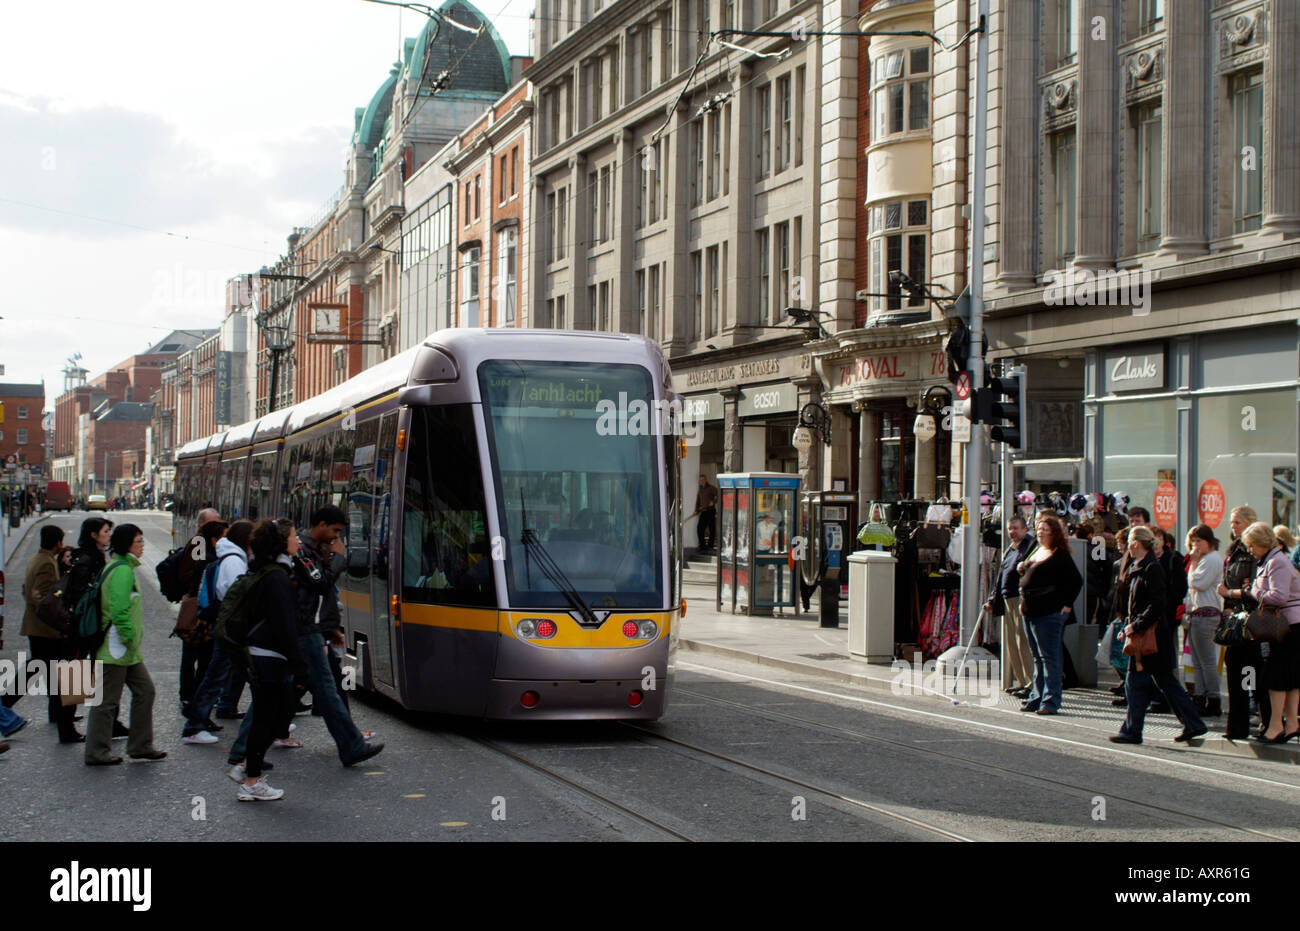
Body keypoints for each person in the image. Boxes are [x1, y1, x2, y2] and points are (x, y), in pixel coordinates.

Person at [1110, 527, 1207, 745]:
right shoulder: (1141, 566)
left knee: (1136, 683)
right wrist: (1129, 626)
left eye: (1129, 542)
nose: (1127, 547)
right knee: (1164, 682)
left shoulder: (1151, 568)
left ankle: (1132, 731)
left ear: (1136, 543)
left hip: (1151, 636)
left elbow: (1157, 604)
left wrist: (1134, 626)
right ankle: (1193, 723)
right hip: (1149, 634)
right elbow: (1136, 604)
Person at [235, 518, 308, 801]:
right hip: (269, 656)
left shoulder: (266, 572)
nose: (297, 541)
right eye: (293, 536)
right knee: (269, 719)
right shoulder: (277, 577)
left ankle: (248, 771)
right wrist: (300, 666)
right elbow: (285, 625)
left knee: (269, 717)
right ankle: (250, 777)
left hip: (259, 654)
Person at [84, 524, 166, 765]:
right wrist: (129, 636)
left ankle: (141, 745)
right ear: (127, 544)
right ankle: (97, 752)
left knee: (145, 691)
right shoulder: (122, 571)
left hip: (126, 649)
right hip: (117, 647)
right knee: (107, 701)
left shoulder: (121, 566)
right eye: (139, 541)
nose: (142, 546)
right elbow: (119, 611)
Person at [6, 525, 83, 742]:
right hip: (45, 628)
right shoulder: (47, 564)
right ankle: (5, 703)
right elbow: (43, 598)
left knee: (43, 667)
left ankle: (57, 714)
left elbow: (26, 590)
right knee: (48, 667)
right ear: (58, 542)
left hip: (37, 626)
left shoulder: (36, 559)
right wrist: (61, 620)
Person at [182, 519, 255, 744]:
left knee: (246, 675)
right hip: (231, 627)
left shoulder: (231, 557)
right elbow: (235, 594)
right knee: (215, 676)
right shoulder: (233, 561)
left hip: (229, 626)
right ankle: (194, 724)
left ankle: (270, 726)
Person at [1016, 514, 1082, 715]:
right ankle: (1036, 697)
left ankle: (1051, 701)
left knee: (1050, 658)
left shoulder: (1060, 555)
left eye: (1045, 529)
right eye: (1039, 528)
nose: (1041, 532)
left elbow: (1075, 581)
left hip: (1048, 613)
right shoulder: (1037, 550)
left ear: (1055, 533)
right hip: (1031, 611)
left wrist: (1067, 605)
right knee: (1037, 657)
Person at [1241, 522, 1300, 742]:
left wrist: (1255, 590)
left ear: (1262, 542)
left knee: (1276, 676)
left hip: (1286, 626)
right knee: (1291, 676)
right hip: (1290, 625)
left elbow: (1279, 596)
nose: (1250, 550)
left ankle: (1276, 726)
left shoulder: (1277, 562)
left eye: (1252, 545)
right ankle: (1292, 723)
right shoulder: (1275, 560)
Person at [1218, 505, 1265, 740]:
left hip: (1252, 619)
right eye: (1232, 522)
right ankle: (1236, 725)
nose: (1233, 526)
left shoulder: (1253, 553)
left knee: (1253, 671)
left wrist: (1229, 593)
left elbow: (1254, 589)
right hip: (1236, 618)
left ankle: (1264, 720)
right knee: (1235, 667)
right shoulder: (1234, 551)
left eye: (1237, 522)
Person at [178, 519, 228, 715]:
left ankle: (77, 718)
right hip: (199, 610)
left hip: (102, 642)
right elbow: (190, 572)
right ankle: (192, 701)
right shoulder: (202, 550)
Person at [984, 515, 1035, 695]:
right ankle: (1021, 681)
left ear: (1025, 529)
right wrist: (992, 599)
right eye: (1010, 528)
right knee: (1011, 643)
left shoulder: (1030, 546)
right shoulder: (1010, 549)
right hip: (1007, 599)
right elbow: (1000, 576)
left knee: (1022, 642)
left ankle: (1030, 683)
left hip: (1019, 598)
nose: (1012, 532)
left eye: (1016, 528)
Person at [1183, 524, 1225, 717]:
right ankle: (1200, 696)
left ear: (1209, 541)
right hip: (1197, 614)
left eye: (1199, 541)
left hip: (1207, 614)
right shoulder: (1204, 559)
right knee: (1198, 661)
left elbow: (1198, 583)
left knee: (1207, 661)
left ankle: (1213, 699)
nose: (1196, 546)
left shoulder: (1211, 559)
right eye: (1193, 542)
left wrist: (1192, 564)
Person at [692, 475, 718, 553]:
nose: (702, 481)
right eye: (701, 480)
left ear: (706, 480)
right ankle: (702, 546)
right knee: (700, 528)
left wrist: (713, 502)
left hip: (711, 511)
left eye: (703, 479)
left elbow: (719, 494)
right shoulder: (700, 490)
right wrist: (696, 510)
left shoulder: (711, 488)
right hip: (703, 511)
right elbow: (698, 501)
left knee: (711, 529)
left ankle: (710, 546)